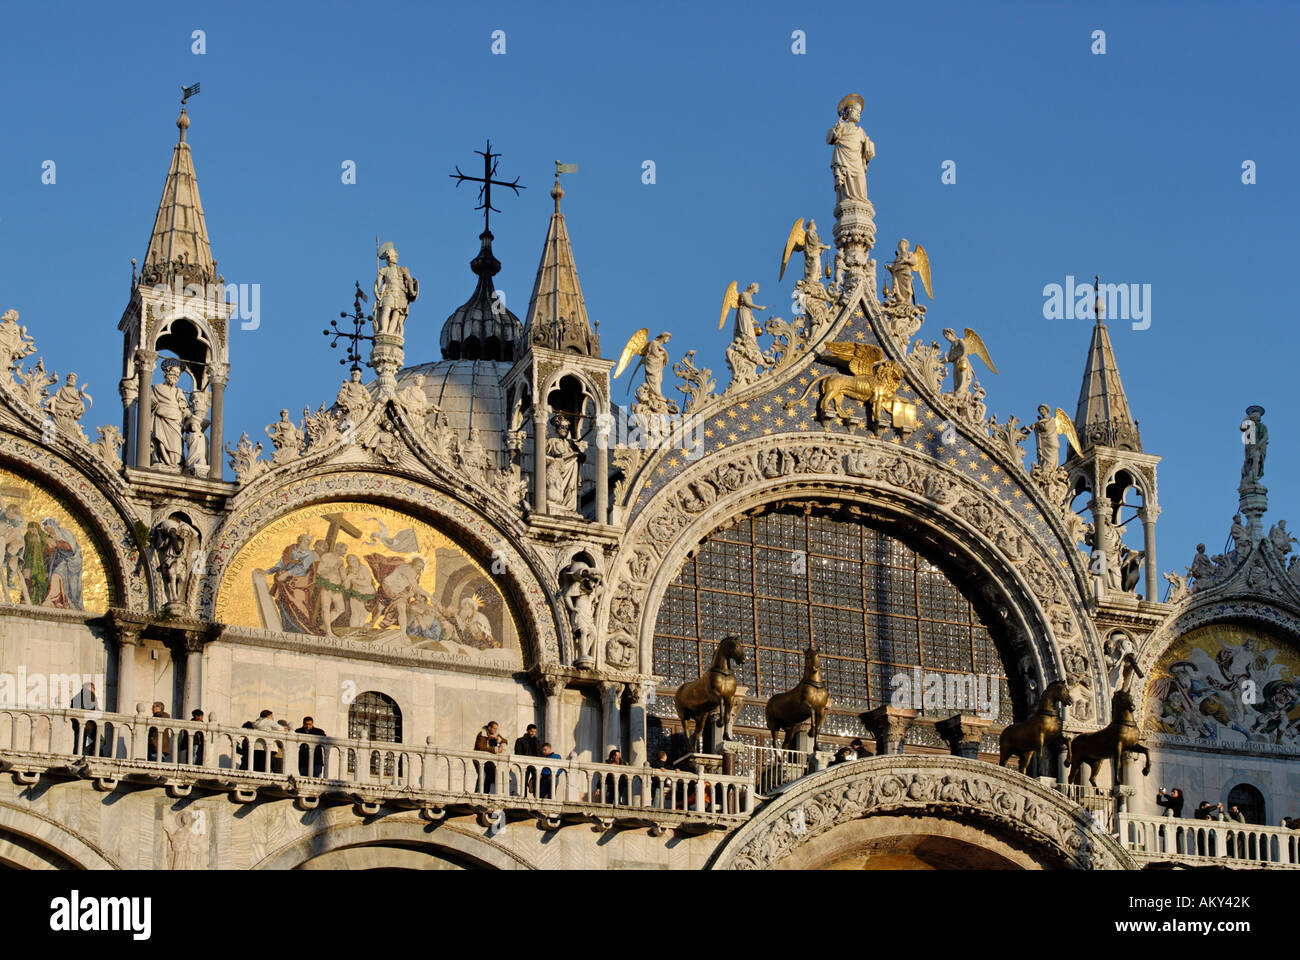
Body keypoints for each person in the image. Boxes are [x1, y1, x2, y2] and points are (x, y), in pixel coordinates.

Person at [474, 721, 506, 794]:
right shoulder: (482, 734)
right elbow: (480, 747)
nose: (495, 730)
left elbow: (505, 741)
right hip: (479, 758)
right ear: (489, 727)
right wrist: (494, 749)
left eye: (496, 729)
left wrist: (499, 741)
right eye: (494, 728)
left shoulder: (496, 734)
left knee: (489, 776)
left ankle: (486, 792)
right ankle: (477, 792)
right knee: (482, 775)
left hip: (489, 760)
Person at [514, 723, 541, 796]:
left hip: (535, 764)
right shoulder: (520, 740)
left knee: (536, 781)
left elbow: (540, 753)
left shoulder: (537, 741)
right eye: (532, 731)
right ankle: (524, 796)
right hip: (524, 764)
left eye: (535, 732)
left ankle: (536, 797)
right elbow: (518, 752)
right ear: (527, 730)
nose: (533, 733)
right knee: (524, 781)